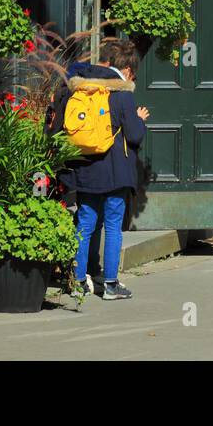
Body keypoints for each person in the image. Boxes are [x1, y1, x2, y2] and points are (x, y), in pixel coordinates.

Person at [51, 39, 149, 300]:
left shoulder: (81, 86)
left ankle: (78, 281)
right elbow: (135, 136)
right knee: (113, 226)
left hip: (85, 168)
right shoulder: (122, 95)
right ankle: (110, 284)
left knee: (85, 223)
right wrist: (139, 120)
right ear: (126, 70)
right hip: (116, 172)